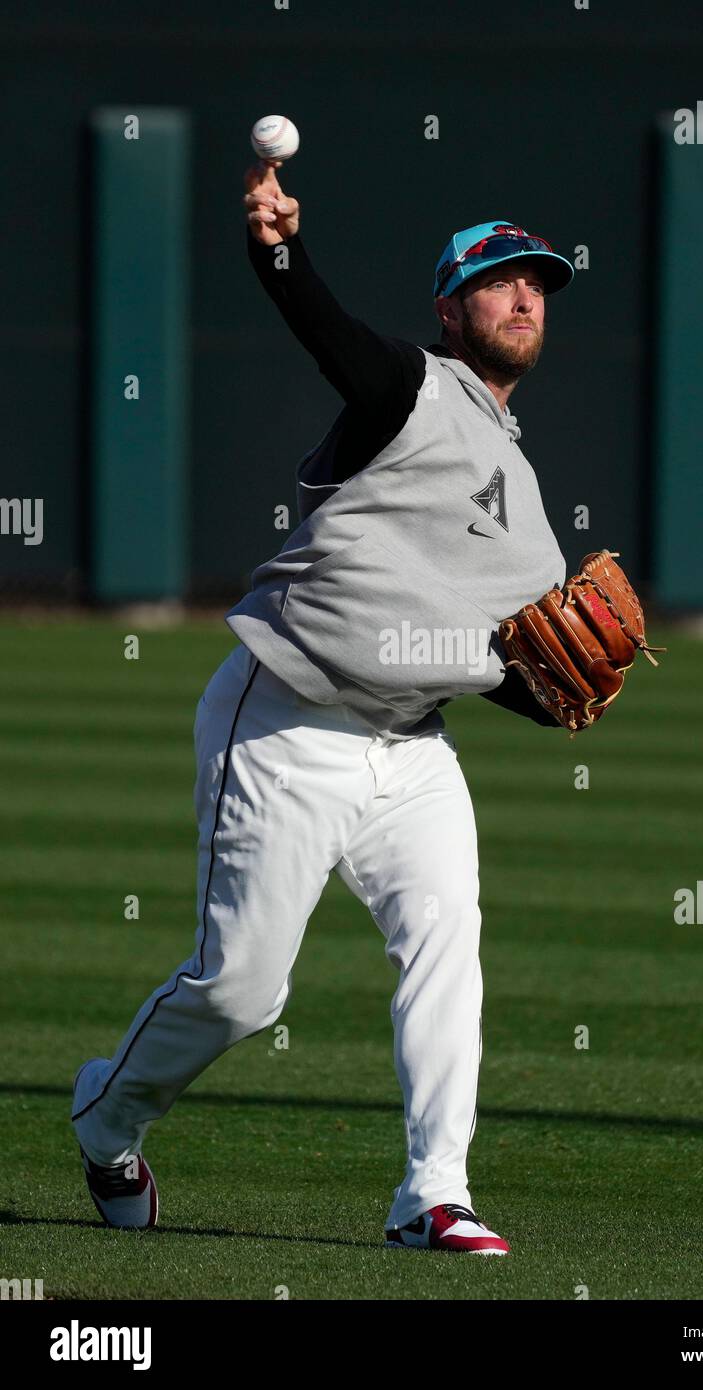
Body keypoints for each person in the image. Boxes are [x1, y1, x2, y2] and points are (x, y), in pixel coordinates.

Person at [71, 162, 574, 1256]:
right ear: (452, 310)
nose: (523, 298)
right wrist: (276, 249)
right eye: (498, 281)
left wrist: (559, 698)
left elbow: (519, 676)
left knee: (448, 944)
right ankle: (108, 1119)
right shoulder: (410, 389)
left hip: (413, 753)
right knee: (242, 990)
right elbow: (327, 330)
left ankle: (433, 1193)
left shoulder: (532, 510)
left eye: (536, 282)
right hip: (285, 721)